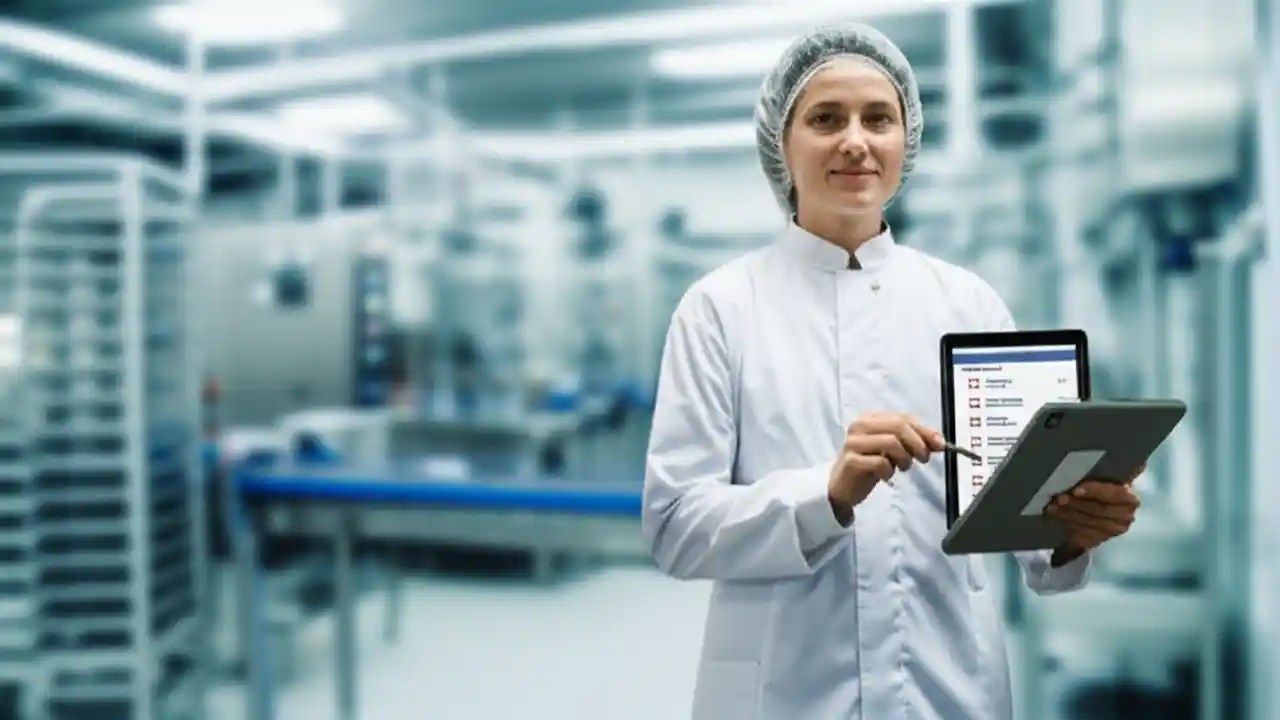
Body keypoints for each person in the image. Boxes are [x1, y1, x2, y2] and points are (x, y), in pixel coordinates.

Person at [641, 22, 1145, 720]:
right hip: (785, 695)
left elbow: (1029, 531)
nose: (856, 139)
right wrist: (827, 494)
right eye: (825, 119)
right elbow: (674, 524)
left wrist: (1076, 528)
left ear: (905, 141)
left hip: (948, 692)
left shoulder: (969, 303)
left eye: (879, 118)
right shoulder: (720, 309)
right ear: (781, 146)